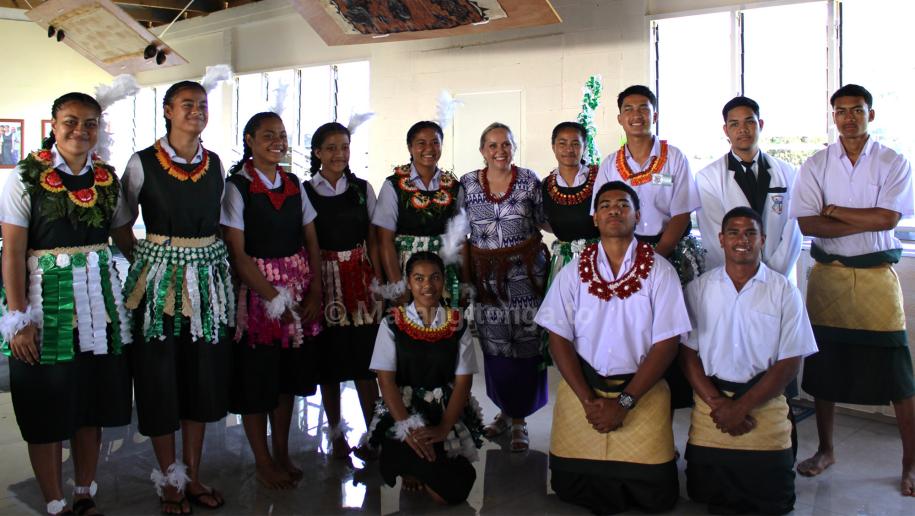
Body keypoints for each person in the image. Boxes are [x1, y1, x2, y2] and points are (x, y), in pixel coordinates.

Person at [0, 92, 132, 515]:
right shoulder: (25, 179)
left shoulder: (108, 180)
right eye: (71, 121)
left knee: (89, 402)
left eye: (90, 122)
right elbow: (12, 253)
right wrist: (19, 318)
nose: (81, 130)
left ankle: (84, 493)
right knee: (46, 405)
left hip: (98, 307)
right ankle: (54, 500)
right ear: (53, 125)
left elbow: (124, 240)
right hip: (43, 307)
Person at [110, 80, 233, 514]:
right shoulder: (141, 162)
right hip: (157, 290)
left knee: (200, 379)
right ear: (167, 110)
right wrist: (148, 263)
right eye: (187, 105)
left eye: (202, 105)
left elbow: (221, 224)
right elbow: (121, 222)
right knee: (159, 379)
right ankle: (169, 479)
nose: (196, 111)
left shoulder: (216, 164)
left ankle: (193, 476)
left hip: (205, 289)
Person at [789, 84, 915, 496]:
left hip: (877, 273)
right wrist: (865, 217)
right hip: (829, 275)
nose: (848, 117)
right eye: (841, 111)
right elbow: (809, 225)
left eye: (857, 110)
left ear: (870, 115)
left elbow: (888, 218)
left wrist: (837, 211)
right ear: (833, 116)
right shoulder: (817, 164)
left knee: (898, 375)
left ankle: (909, 464)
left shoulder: (892, 161)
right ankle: (826, 450)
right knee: (826, 369)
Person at [535, 181, 690, 514]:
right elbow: (557, 335)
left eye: (623, 204)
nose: (614, 210)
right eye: (605, 205)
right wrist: (587, 399)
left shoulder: (660, 272)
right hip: (585, 389)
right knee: (568, 486)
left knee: (656, 496)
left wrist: (624, 402)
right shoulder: (573, 270)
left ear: (638, 216)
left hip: (640, 390)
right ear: (594, 218)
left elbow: (667, 343)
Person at [681, 207, 817, 514]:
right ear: (721, 239)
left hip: (764, 399)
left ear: (762, 239)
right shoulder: (699, 289)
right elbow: (687, 355)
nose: (742, 240)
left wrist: (741, 407)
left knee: (774, 498)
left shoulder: (784, 291)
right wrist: (719, 404)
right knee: (703, 492)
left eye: (750, 233)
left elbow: (789, 361)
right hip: (711, 400)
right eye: (733, 232)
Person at [221, 112, 323, 487]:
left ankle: (282, 450)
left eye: (282, 135)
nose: (277, 141)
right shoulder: (238, 187)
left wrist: (314, 288)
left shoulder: (294, 183)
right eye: (268, 135)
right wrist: (273, 299)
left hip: (297, 289)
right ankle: (262, 459)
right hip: (259, 296)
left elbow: (310, 238)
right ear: (248, 139)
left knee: (286, 379)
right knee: (257, 380)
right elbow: (238, 252)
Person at [591, 84, 701, 413]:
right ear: (620, 118)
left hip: (669, 251)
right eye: (629, 109)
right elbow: (600, 211)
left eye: (644, 108)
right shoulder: (611, 163)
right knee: (633, 325)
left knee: (674, 329)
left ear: (655, 114)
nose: (636, 115)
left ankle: (676, 402)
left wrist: (656, 256)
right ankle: (630, 399)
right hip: (623, 254)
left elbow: (683, 212)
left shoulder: (674, 157)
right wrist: (628, 260)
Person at [367, 251, 483, 505]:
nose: (427, 285)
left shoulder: (457, 323)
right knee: (421, 461)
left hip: (443, 412)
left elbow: (463, 381)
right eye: (419, 278)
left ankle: (423, 466)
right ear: (408, 282)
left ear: (443, 281)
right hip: (402, 412)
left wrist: (443, 428)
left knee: (449, 491)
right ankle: (410, 464)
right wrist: (407, 428)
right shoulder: (391, 323)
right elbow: (385, 382)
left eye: (435, 278)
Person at [461, 122, 548, 452]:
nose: (500, 151)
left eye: (506, 144)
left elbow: (544, 219)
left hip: (527, 278)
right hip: (486, 280)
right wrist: (467, 279)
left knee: (526, 347)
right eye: (493, 145)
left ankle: (519, 421)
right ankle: (504, 410)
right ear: (482, 150)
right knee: (496, 351)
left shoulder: (529, 180)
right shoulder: (468, 183)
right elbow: (460, 233)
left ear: (514, 147)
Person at [303, 121, 382, 459]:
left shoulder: (363, 188)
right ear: (318, 152)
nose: (339, 154)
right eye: (331, 148)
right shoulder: (304, 192)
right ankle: (335, 434)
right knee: (330, 363)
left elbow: (375, 239)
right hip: (324, 283)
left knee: (365, 361)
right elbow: (305, 242)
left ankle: (376, 433)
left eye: (345, 147)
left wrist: (379, 282)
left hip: (360, 283)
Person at [695, 96, 802, 277]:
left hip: (780, 276)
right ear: (726, 130)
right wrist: (743, 274)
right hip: (731, 278)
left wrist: (773, 275)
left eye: (749, 122)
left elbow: (794, 229)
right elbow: (715, 237)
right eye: (734, 124)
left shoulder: (788, 172)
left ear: (760, 124)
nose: (743, 129)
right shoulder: (708, 177)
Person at [372, 121, 464, 307]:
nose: (429, 148)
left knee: (444, 324)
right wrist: (398, 286)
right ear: (410, 147)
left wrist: (463, 283)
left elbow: (460, 240)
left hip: (444, 271)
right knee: (409, 327)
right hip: (406, 271)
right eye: (421, 143)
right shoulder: (393, 185)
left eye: (435, 142)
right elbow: (385, 240)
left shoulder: (454, 187)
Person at [543, 121, 600, 287]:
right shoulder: (545, 185)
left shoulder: (601, 177)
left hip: (599, 259)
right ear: (553, 146)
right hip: (564, 261)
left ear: (584, 147)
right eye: (562, 143)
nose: (569, 149)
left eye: (575, 143)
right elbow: (541, 220)